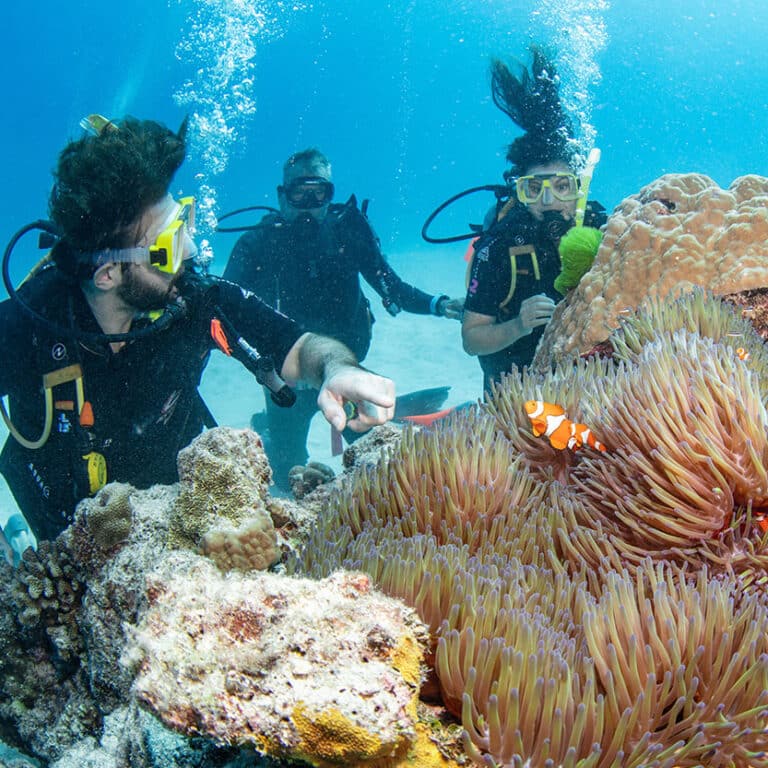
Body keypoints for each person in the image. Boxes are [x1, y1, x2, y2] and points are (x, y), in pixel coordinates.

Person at [0, 115, 395, 543]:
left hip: (173, 517)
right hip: (61, 530)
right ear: (107, 274)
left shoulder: (195, 300)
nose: (190, 249)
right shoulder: (30, 325)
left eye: (184, 221)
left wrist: (338, 369)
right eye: (169, 243)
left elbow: (299, 346)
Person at [223, 148, 463, 488]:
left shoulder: (348, 231)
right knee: (285, 474)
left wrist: (438, 304)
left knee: (377, 459)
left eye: (319, 193)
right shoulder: (258, 243)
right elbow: (225, 306)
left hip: (344, 373)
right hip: (286, 381)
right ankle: (269, 429)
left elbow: (392, 286)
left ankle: (396, 416)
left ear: (330, 194)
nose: (309, 204)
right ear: (282, 195)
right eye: (300, 193)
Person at [462, 48, 608, 393]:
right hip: (515, 391)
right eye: (533, 188)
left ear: (579, 187)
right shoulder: (499, 245)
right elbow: (471, 338)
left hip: (590, 383)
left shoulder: (603, 230)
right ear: (520, 191)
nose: (548, 201)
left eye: (562, 186)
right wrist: (517, 325)